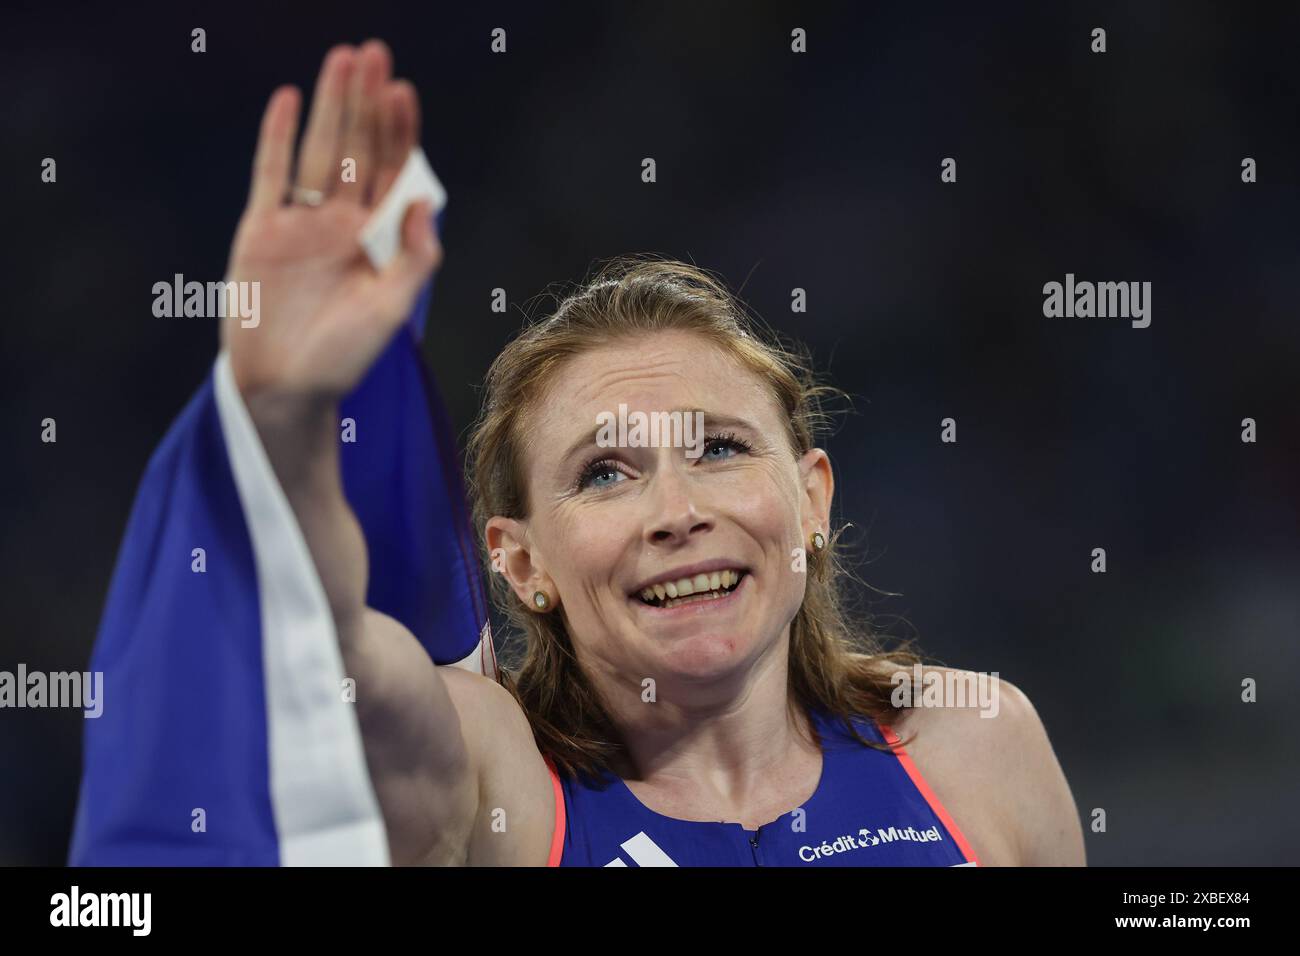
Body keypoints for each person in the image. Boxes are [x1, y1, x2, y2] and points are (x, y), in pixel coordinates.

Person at [89, 38, 1087, 867]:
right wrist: (291, 418)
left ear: (811, 497)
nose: (676, 509)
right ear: (520, 561)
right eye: (604, 472)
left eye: (721, 447)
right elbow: (338, 668)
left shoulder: (974, 743)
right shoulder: (495, 774)